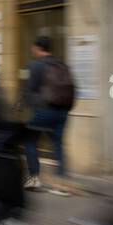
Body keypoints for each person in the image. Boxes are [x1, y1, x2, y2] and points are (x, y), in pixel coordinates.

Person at [23, 36, 76, 194]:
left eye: (33, 47)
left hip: (44, 110)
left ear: (38, 48)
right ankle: (61, 184)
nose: (32, 50)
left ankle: (34, 178)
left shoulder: (35, 65)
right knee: (58, 143)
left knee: (30, 140)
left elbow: (30, 89)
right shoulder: (62, 64)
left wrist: (28, 104)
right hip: (63, 111)